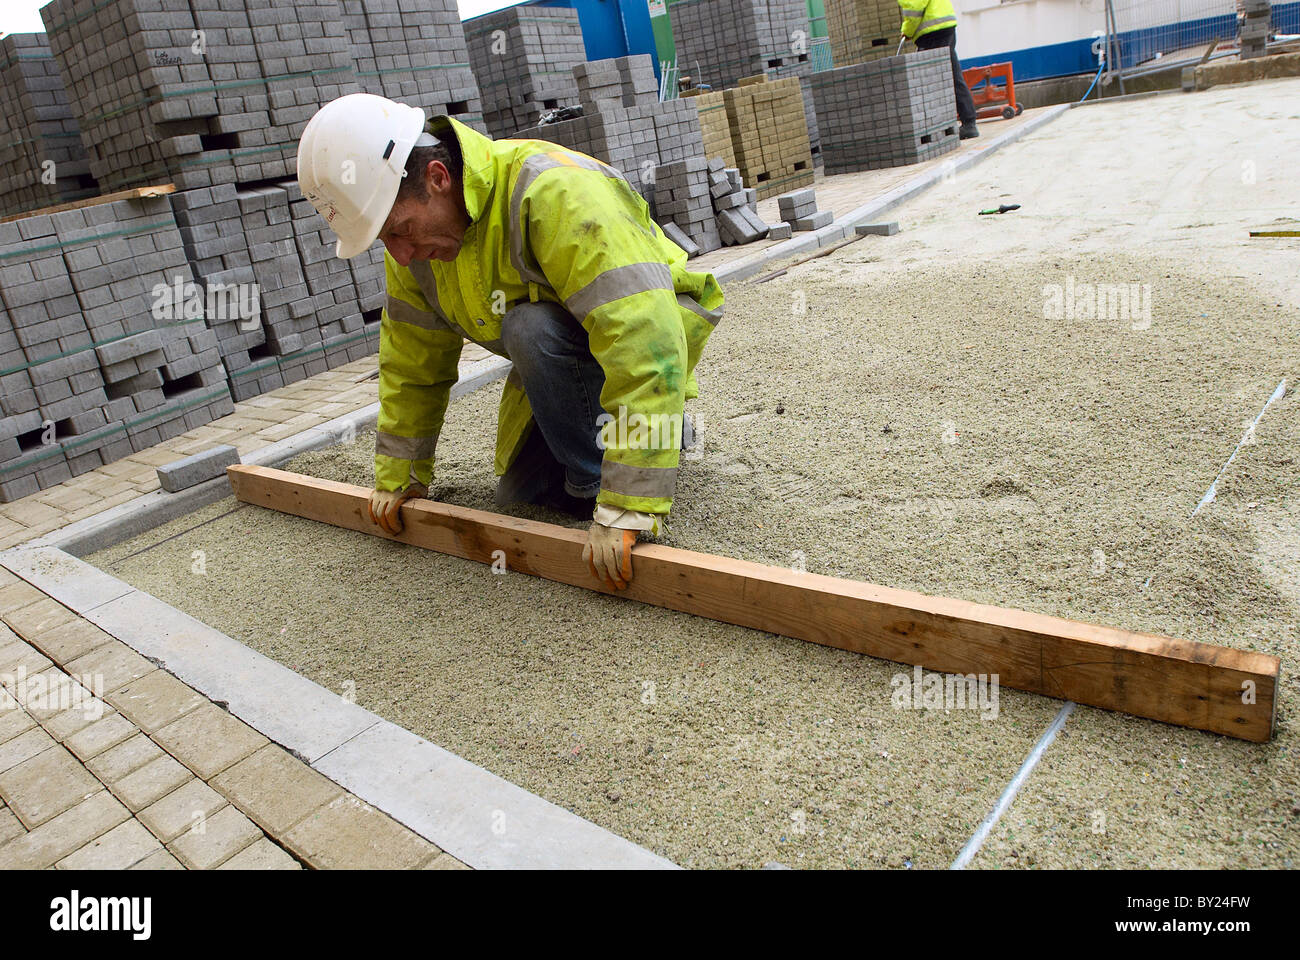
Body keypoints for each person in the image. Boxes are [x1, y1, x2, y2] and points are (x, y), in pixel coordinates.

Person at [296, 94, 722, 590]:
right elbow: (412, 366)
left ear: (438, 178)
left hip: (651, 338)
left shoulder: (554, 191)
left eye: (401, 230)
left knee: (530, 329)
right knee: (520, 500)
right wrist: (400, 475)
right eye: (384, 241)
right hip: (565, 359)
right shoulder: (415, 253)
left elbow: (642, 338)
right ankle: (629, 454)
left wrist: (626, 506)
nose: (401, 252)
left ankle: (623, 472)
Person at [898, 0, 979, 139]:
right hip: (945, 26)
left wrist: (907, 30)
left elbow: (914, 7)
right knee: (952, 75)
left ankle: (934, 127)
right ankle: (969, 123)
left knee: (929, 80)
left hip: (932, 31)